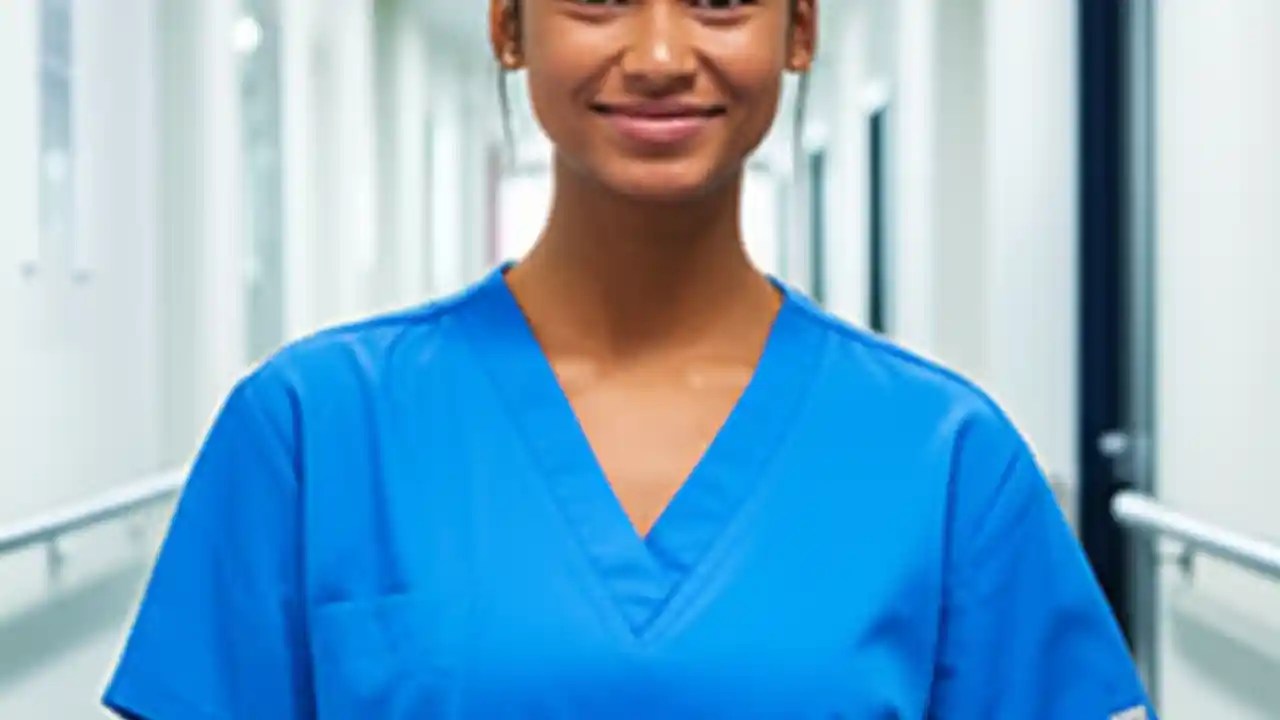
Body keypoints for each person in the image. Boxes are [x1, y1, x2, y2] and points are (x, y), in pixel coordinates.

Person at [104, 0, 1156, 717]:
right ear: (508, 28)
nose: (658, 54)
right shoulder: (313, 429)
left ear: (799, 31)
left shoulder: (943, 459)